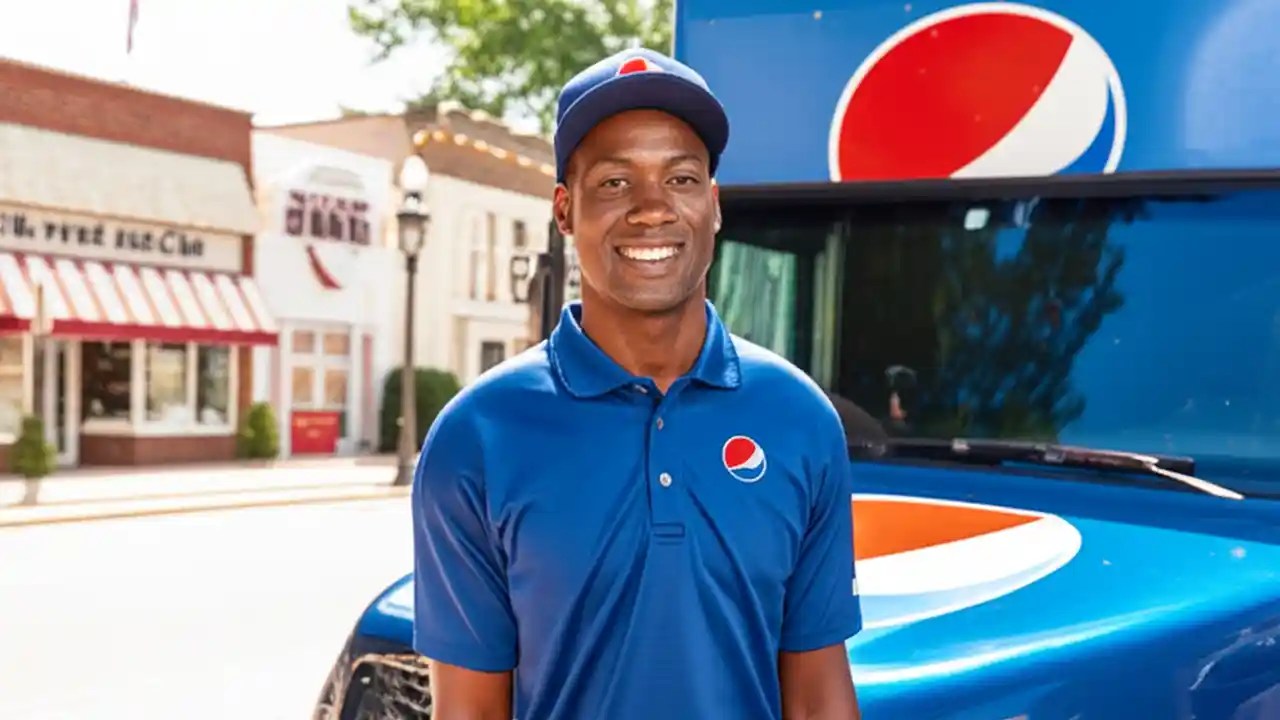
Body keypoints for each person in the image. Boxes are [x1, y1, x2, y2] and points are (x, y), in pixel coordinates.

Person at [411, 47, 863, 720]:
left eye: (680, 180)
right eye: (615, 184)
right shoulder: (475, 438)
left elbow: (818, 696)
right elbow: (470, 712)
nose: (652, 209)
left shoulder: (800, 419)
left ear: (713, 205)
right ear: (565, 211)